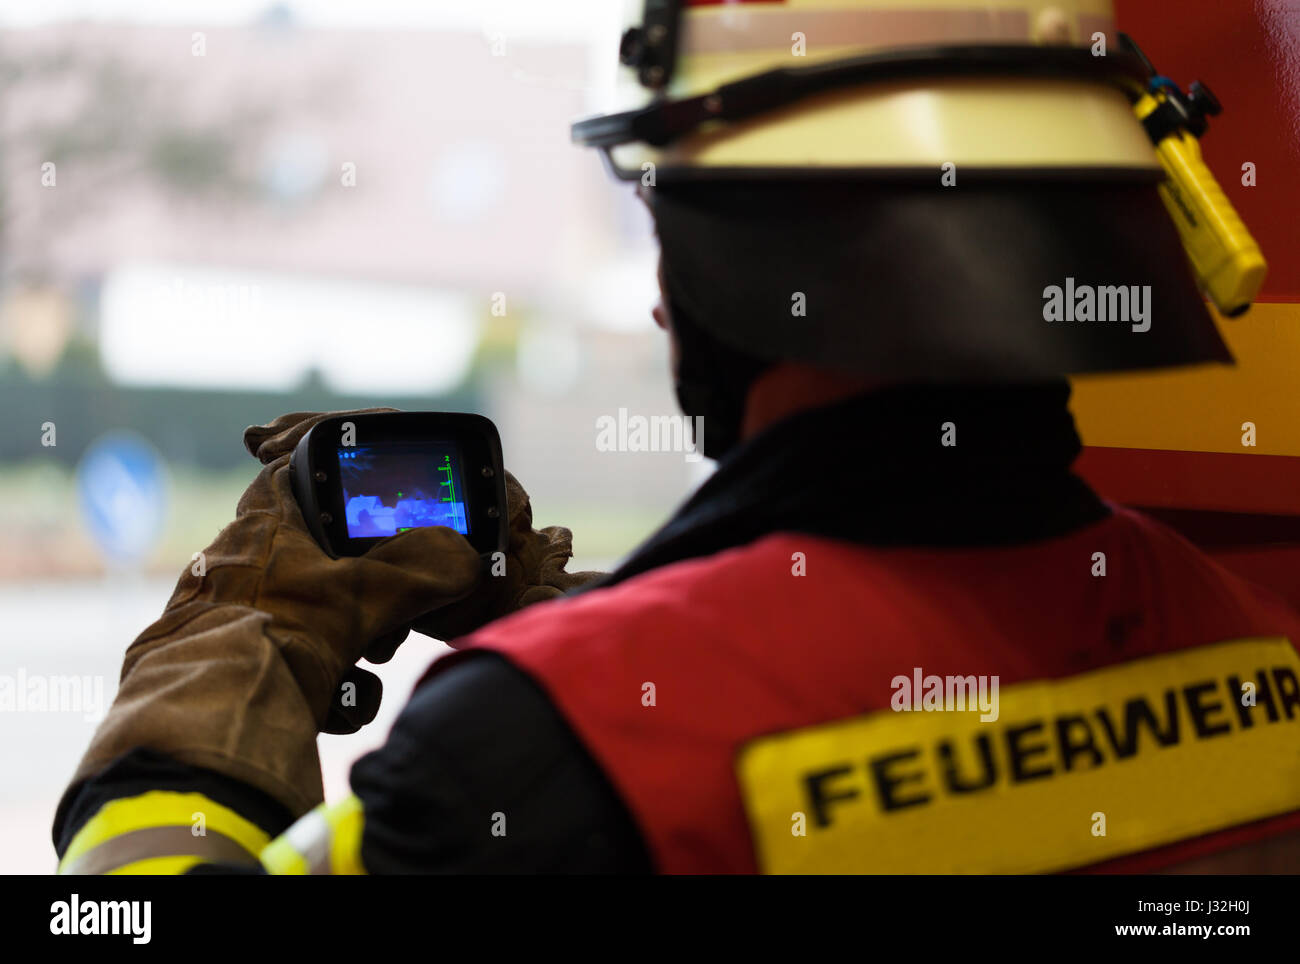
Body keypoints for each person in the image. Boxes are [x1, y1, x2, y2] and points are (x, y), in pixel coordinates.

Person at [53, 0, 1300, 874]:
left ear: (765, 265)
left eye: (675, 237)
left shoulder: (529, 752)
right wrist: (591, 619)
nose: (659, 300)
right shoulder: (1251, 640)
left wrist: (236, 640)